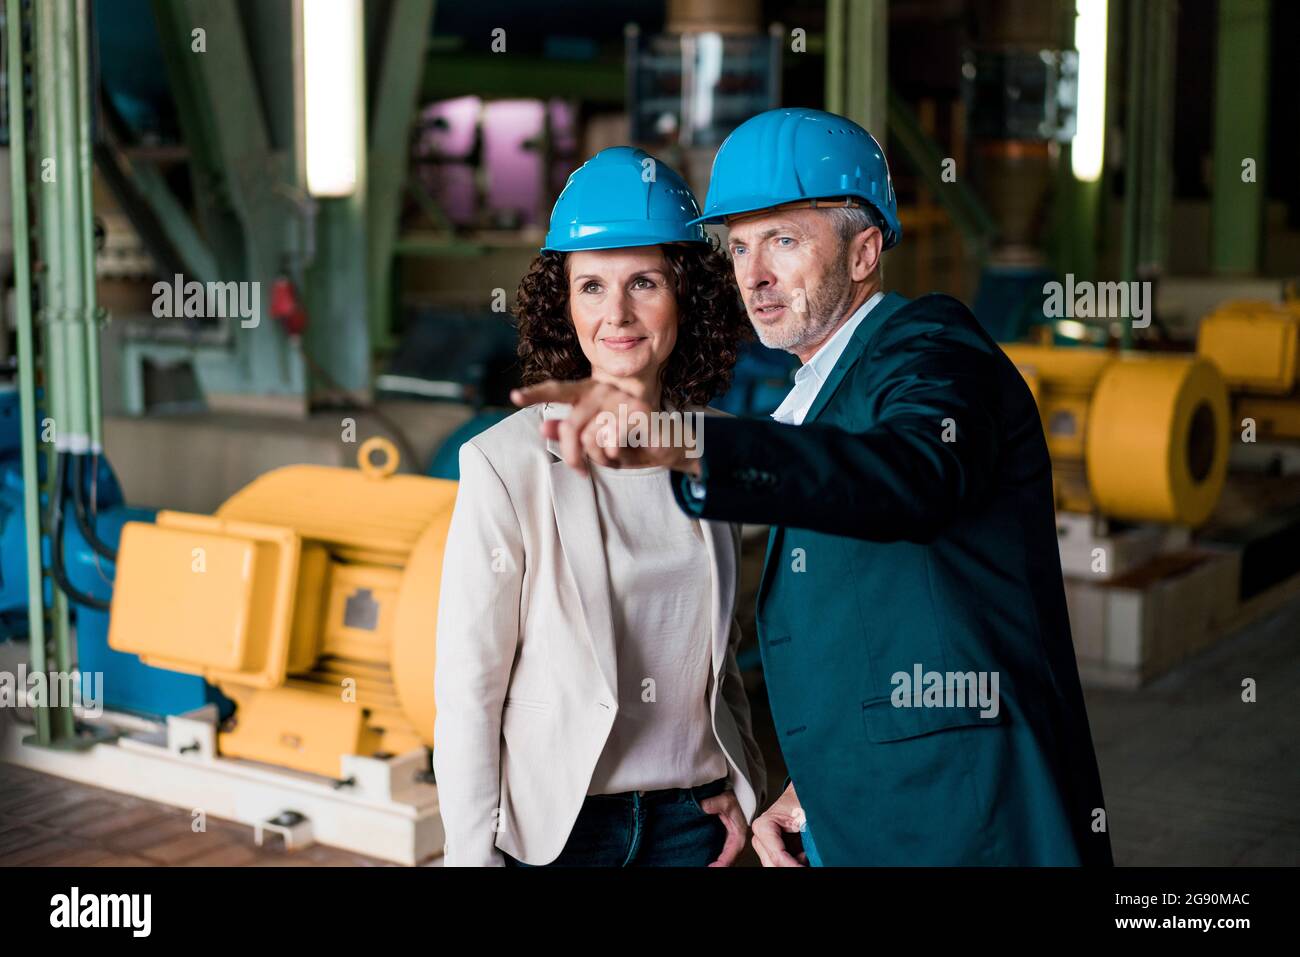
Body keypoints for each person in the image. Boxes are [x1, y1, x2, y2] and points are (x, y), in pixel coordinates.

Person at [513, 108, 1114, 867]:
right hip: (869, 812)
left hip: (968, 822)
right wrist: (809, 789)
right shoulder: (816, 405)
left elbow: (915, 476)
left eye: (784, 241)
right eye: (738, 247)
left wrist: (683, 440)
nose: (753, 275)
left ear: (865, 252)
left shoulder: (929, 348)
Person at [433, 146, 764, 867]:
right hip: (562, 832)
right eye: (591, 286)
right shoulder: (504, 462)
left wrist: (744, 779)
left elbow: (720, 654)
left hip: (692, 821)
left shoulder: (719, 448)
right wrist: (469, 855)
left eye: (643, 282)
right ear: (565, 303)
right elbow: (468, 690)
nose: (615, 313)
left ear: (687, 296)